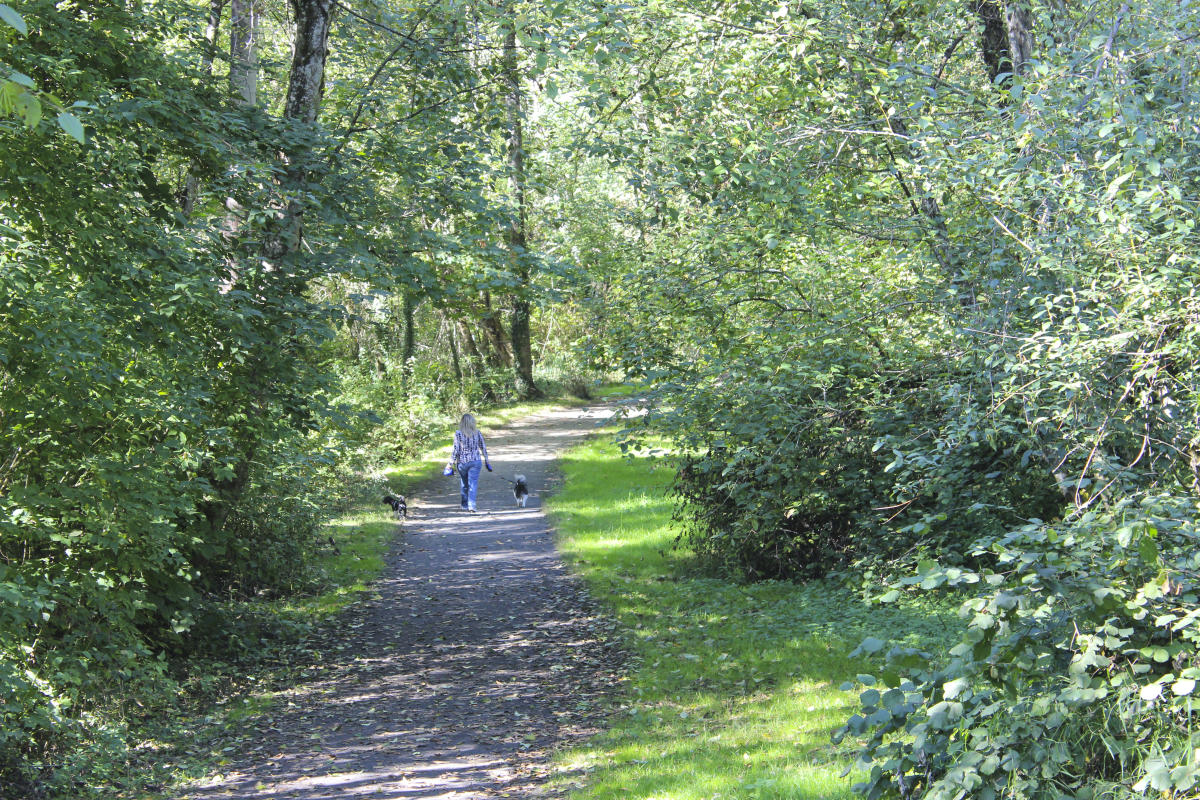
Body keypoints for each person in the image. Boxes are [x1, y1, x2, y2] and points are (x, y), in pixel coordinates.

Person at [447, 413, 491, 512]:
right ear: (472, 422)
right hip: (476, 461)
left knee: (464, 483)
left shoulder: (458, 433)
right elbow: (483, 447)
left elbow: (456, 450)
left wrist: (450, 464)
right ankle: (472, 506)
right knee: (473, 484)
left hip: (462, 462)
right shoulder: (477, 432)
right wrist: (487, 461)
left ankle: (464, 505)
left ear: (462, 423)